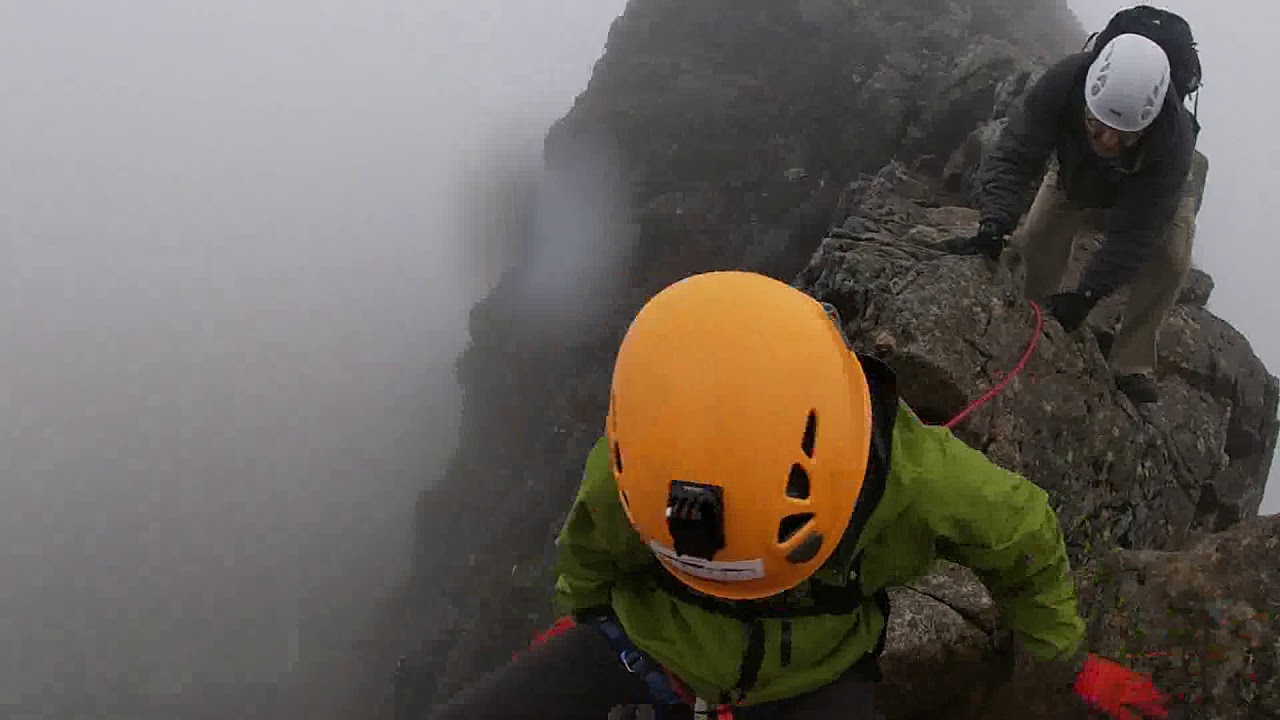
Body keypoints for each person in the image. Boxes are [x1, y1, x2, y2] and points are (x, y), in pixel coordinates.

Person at [424, 271, 1169, 720]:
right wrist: (582, 621)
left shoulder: (919, 477)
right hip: (652, 643)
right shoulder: (646, 451)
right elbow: (592, 545)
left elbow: (1025, 534)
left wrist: (1067, 660)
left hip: (808, 677)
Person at [947, 28, 1200, 405]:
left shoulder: (1174, 137)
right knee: (1035, 241)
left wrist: (1087, 293)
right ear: (1088, 102)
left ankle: (1130, 364)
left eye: (1125, 137)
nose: (1109, 145)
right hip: (1076, 177)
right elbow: (1016, 154)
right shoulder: (1063, 83)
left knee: (1171, 257)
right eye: (1098, 130)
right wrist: (994, 223)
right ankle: (1036, 317)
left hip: (1147, 196)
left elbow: (1140, 231)